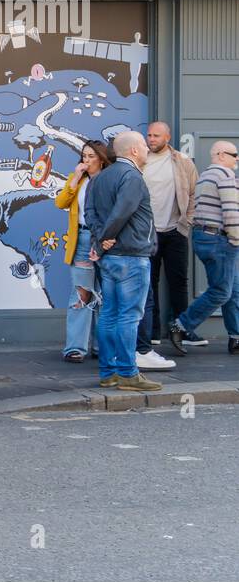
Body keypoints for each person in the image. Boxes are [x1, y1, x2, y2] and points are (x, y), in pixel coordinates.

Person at [86, 131, 162, 392]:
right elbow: (122, 212)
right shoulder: (131, 177)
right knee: (130, 316)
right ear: (133, 151)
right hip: (131, 256)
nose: (147, 149)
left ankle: (108, 372)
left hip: (109, 258)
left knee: (109, 314)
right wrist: (105, 236)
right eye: (143, 144)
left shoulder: (100, 177)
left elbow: (90, 212)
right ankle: (128, 373)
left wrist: (100, 240)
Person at [54, 141, 125, 365]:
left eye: (91, 156)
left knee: (106, 294)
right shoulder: (80, 180)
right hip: (83, 239)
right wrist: (75, 178)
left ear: (102, 159)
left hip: (106, 240)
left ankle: (101, 346)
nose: (86, 160)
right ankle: (75, 348)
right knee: (82, 292)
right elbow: (61, 203)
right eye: (84, 156)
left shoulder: (112, 179)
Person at [167, 140, 239, 356]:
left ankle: (235, 337)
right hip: (219, 239)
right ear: (220, 154)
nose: (237, 159)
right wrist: (236, 238)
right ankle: (180, 326)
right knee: (221, 291)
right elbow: (230, 209)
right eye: (234, 155)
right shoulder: (225, 175)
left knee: (232, 289)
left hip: (202, 236)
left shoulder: (206, 175)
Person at [139, 122, 202, 351]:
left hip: (176, 229)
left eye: (156, 135)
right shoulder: (141, 160)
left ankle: (183, 329)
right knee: (149, 282)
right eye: (149, 135)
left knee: (179, 282)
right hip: (147, 232)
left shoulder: (182, 162)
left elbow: (194, 192)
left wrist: (188, 220)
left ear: (167, 137)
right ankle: (153, 331)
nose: (151, 139)